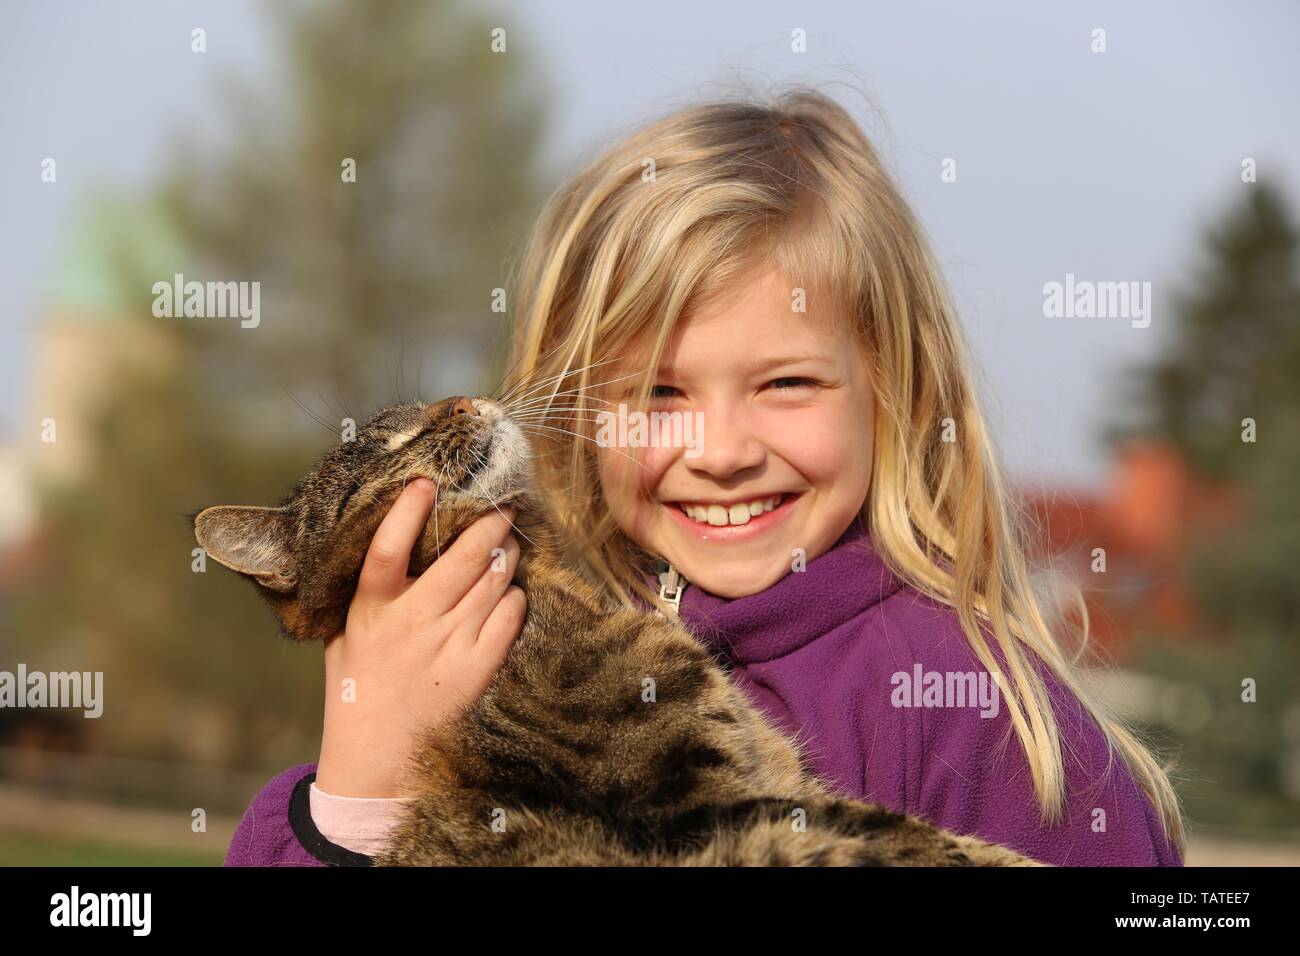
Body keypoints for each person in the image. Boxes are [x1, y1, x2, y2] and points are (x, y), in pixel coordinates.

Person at [225, 88, 1184, 867]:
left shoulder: (990, 723)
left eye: (787, 383)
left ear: (895, 393)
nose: (721, 450)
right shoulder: (500, 645)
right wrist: (353, 795)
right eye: (656, 393)